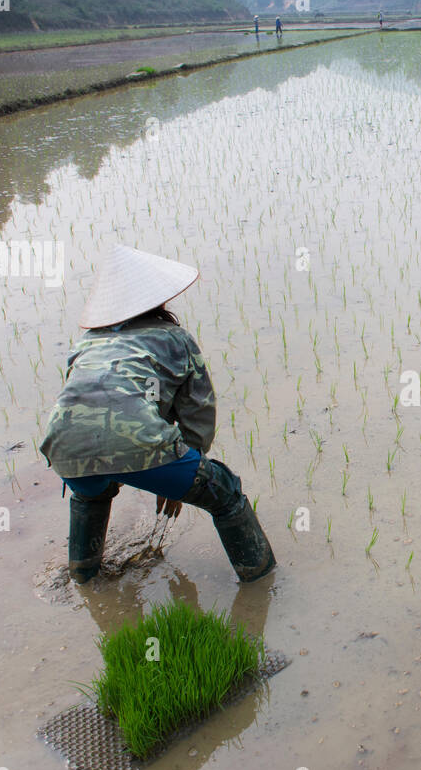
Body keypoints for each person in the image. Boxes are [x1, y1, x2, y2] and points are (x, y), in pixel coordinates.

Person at [39, 245, 275, 584]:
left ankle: (83, 576)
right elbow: (198, 413)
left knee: (93, 488)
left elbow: (91, 403)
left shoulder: (87, 343)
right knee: (224, 492)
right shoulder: (175, 339)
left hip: (63, 449)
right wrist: (183, 468)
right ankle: (261, 580)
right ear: (157, 301)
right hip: (144, 448)